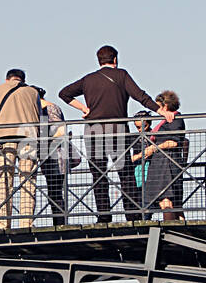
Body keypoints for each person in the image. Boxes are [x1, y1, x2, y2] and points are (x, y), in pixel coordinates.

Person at [58, 44, 171, 224]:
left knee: (99, 176)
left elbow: (63, 93)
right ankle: (132, 216)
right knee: (125, 174)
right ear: (115, 59)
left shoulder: (88, 79)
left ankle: (104, 216)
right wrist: (160, 111)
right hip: (118, 131)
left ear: (99, 60)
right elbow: (140, 96)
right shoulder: (122, 75)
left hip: (93, 132)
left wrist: (83, 108)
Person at [0, 69, 42, 230]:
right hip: (29, 137)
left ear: (6, 79)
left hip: (4, 138)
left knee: (4, 180)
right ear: (23, 80)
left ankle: (3, 223)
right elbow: (39, 117)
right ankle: (26, 222)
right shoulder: (33, 92)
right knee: (27, 180)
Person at [142, 91, 187, 221]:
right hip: (165, 162)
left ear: (165, 105)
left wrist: (153, 148)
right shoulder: (171, 120)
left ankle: (170, 230)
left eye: (159, 107)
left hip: (165, 163)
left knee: (165, 200)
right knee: (175, 204)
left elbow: (174, 142)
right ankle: (183, 230)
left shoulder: (174, 120)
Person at [37, 89, 73, 228]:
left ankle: (59, 222)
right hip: (54, 155)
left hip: (55, 156)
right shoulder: (51, 107)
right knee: (55, 191)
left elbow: (60, 130)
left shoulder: (49, 108)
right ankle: (58, 221)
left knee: (55, 192)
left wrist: (45, 140)